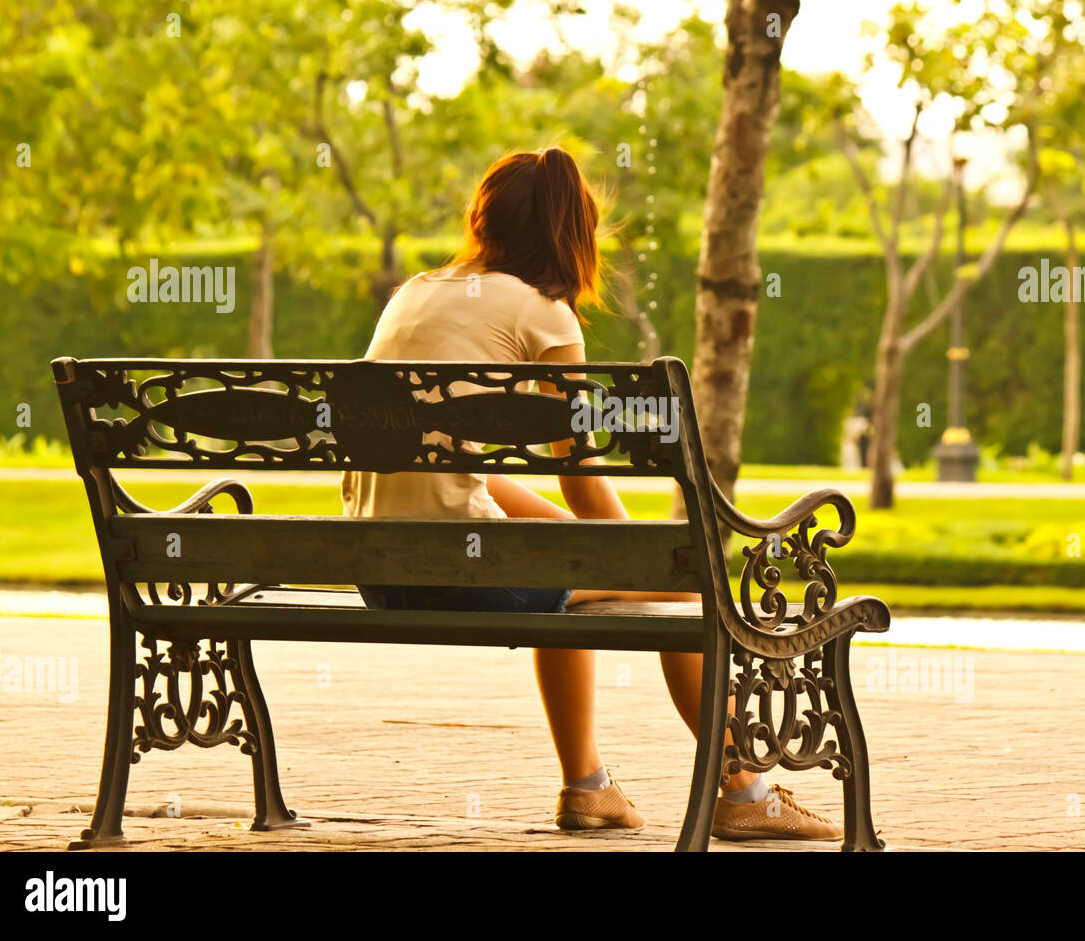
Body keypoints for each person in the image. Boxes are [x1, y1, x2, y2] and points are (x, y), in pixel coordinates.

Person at [341, 146, 842, 841]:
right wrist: (649, 566)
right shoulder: (544, 314)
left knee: (570, 565)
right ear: (567, 231)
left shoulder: (414, 292)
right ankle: (744, 791)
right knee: (680, 597)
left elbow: (458, 473)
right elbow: (577, 475)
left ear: (483, 218)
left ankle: (590, 788)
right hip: (458, 575)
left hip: (375, 568)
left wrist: (598, 551)